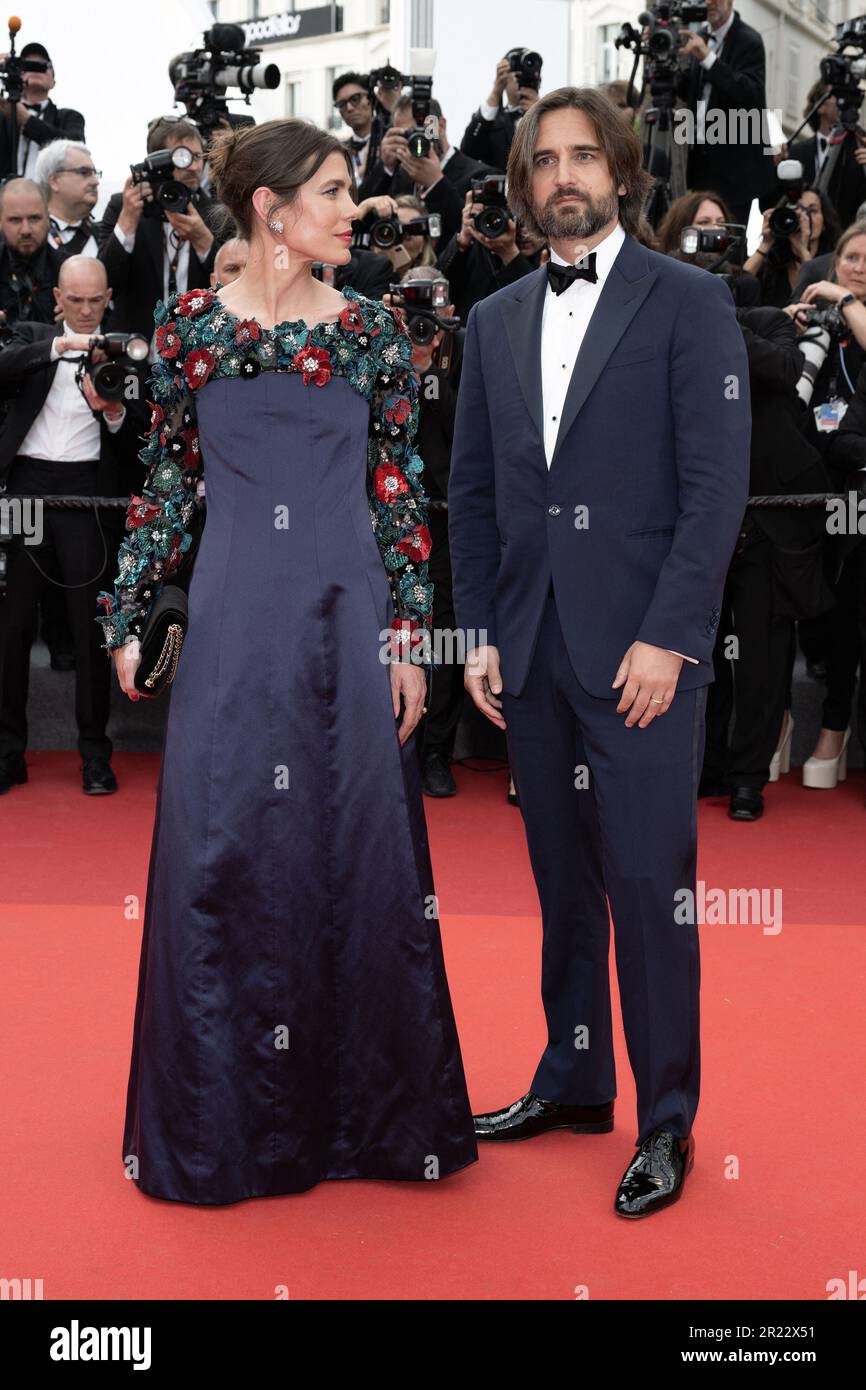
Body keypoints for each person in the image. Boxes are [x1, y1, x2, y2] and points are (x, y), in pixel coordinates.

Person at [95, 117, 477, 1205]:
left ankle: (367, 1120)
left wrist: (409, 640)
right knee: (223, 849)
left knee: (356, 852)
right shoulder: (184, 332)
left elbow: (399, 493)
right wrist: (127, 612)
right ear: (271, 208)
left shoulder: (372, 331)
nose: (351, 210)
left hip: (347, 612)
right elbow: (166, 484)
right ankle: (224, 1124)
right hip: (228, 618)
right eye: (333, 191)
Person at [447, 87, 750, 1218]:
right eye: (543, 161)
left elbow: (716, 490)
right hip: (528, 649)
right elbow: (470, 492)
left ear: (620, 173)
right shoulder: (492, 320)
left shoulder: (689, 301)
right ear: (523, 184)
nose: (562, 177)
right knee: (561, 887)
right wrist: (477, 629)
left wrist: (669, 636)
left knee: (647, 888)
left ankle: (665, 1116)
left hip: (640, 658)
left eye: (582, 157)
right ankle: (572, 1080)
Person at [0, 256, 146, 797]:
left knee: (90, 629)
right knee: (13, 626)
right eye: (75, 301)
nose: (85, 311)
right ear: (57, 298)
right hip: (28, 492)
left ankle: (94, 755)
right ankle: (8, 752)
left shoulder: (127, 355)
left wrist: (109, 410)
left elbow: (137, 445)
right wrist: (58, 348)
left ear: (109, 298)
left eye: (95, 301)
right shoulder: (34, 339)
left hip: (87, 494)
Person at [97, 118, 222, 351]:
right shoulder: (122, 207)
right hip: (134, 355)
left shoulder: (218, 213)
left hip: (200, 357)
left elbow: (233, 286)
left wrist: (203, 239)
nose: (195, 167)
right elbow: (105, 284)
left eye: (198, 157)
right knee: (131, 390)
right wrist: (127, 222)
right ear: (158, 163)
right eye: (183, 157)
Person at [676, 0, 773, 228]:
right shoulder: (697, 36)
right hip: (700, 164)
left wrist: (708, 58)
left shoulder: (748, 40)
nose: (708, 3)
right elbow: (689, 91)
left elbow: (748, 93)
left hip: (735, 170)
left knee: (729, 244)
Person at [0, 40, 85, 181]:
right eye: (28, 66)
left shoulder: (68, 117)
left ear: (53, 82)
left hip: (50, 199)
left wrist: (27, 121)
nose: (34, 70)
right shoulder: (3, 116)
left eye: (42, 66)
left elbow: (76, 149)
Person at [35, 139, 101, 258]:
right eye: (84, 172)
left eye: (94, 173)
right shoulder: (29, 235)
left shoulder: (103, 235)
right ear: (54, 181)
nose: (95, 182)